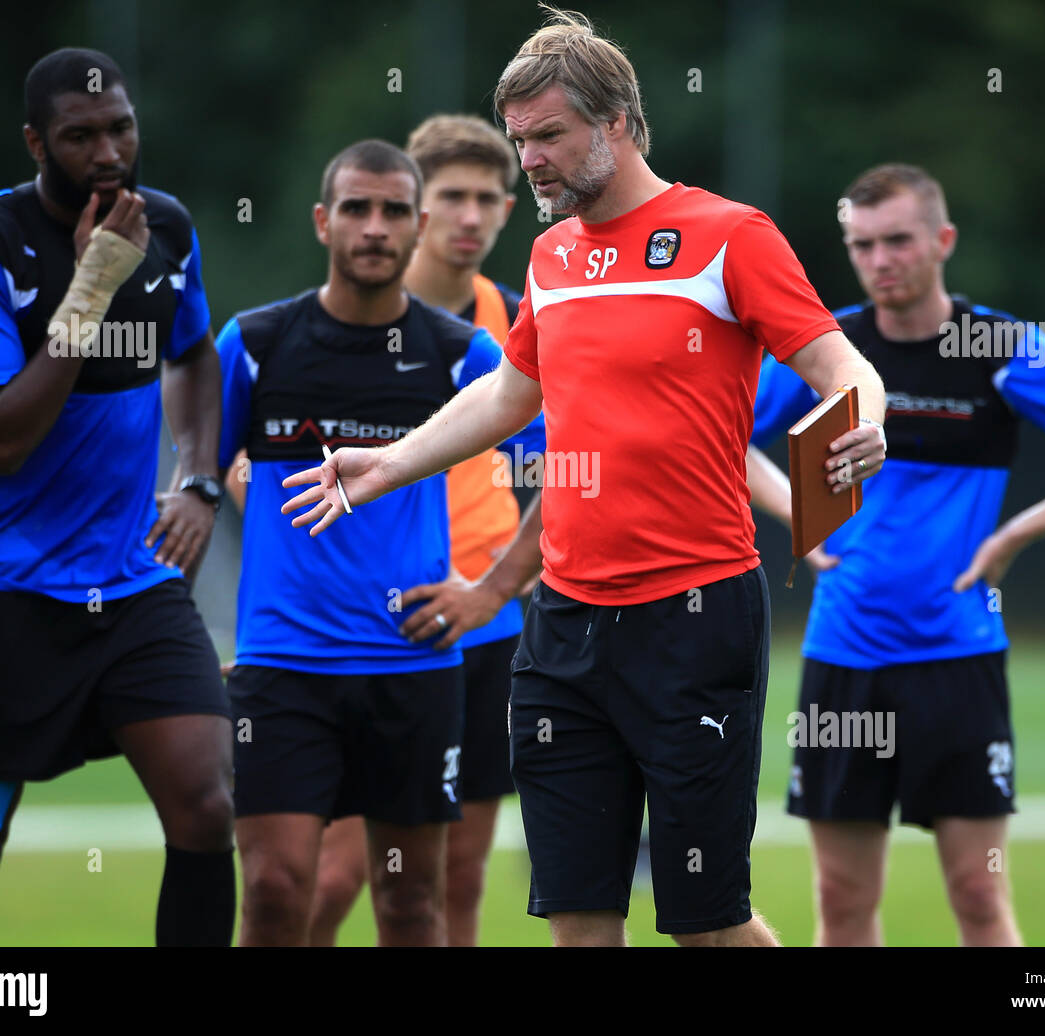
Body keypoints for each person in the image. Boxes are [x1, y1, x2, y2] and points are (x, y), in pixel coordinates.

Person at [282, 10, 887, 947]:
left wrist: (867, 420)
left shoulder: (729, 235)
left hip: (694, 621)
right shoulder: (551, 256)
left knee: (705, 923)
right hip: (561, 630)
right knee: (578, 921)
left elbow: (843, 367)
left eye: (548, 136)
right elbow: (505, 400)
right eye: (519, 140)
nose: (529, 161)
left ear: (616, 124)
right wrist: (390, 463)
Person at [748, 163, 1045, 946]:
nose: (881, 260)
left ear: (942, 240)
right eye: (862, 244)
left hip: (960, 660)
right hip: (844, 658)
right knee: (841, 900)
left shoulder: (1002, 348)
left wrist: (1016, 533)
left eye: (899, 240)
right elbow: (717, 437)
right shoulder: (828, 353)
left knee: (979, 896)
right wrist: (796, 517)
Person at [0, 47, 234, 947]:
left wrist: (200, 480)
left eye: (121, 129)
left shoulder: (166, 227)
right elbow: (5, 439)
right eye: (80, 136)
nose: (108, 154)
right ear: (35, 143)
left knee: (208, 806)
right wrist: (93, 283)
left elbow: (195, 355)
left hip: (133, 585)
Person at [216, 138, 541, 947]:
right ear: (324, 222)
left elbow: (573, 467)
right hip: (282, 665)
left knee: (409, 904)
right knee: (275, 890)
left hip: (412, 667)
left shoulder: (463, 353)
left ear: (417, 226)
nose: (374, 227)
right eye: (356, 209)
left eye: (393, 210)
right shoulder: (254, 345)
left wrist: (493, 589)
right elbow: (204, 469)